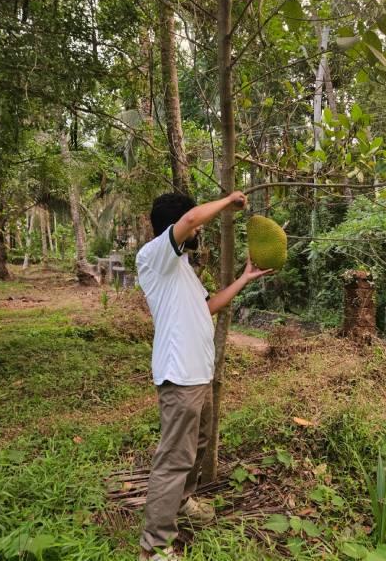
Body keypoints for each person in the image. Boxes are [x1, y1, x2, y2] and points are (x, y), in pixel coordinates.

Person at [136, 191, 273, 560]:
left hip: (198, 375)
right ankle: (154, 547)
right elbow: (192, 219)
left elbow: (208, 307)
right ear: (177, 223)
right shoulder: (154, 256)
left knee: (196, 447)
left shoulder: (181, 268)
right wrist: (228, 201)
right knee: (174, 459)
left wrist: (245, 278)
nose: (198, 231)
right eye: (192, 224)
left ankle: (180, 504)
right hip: (179, 376)